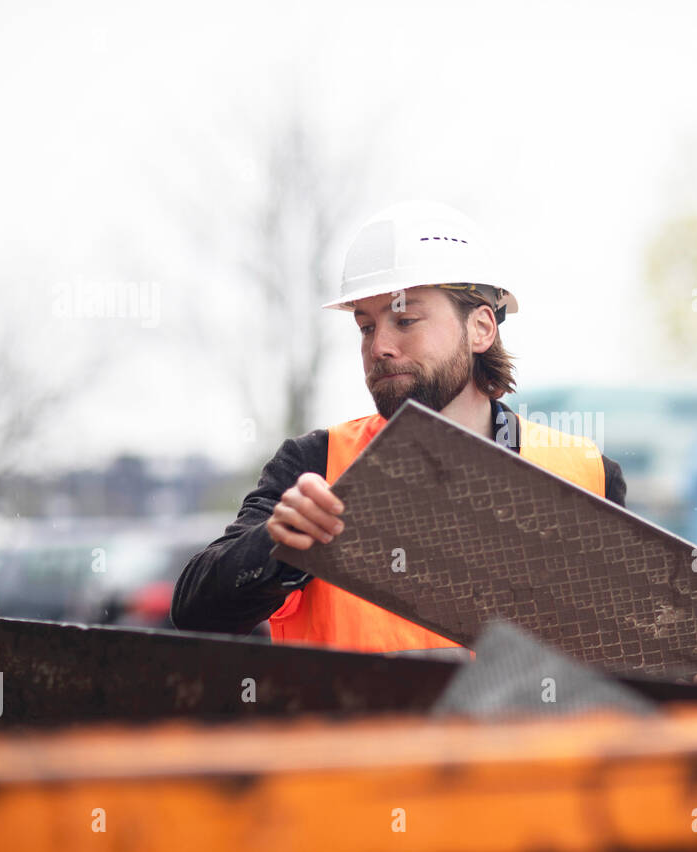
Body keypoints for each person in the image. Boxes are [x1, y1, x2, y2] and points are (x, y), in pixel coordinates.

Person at [171, 200, 627, 656]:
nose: (380, 347)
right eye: (366, 327)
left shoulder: (585, 475)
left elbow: (632, 651)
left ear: (481, 328)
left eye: (405, 320)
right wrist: (279, 542)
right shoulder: (317, 465)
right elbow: (196, 610)